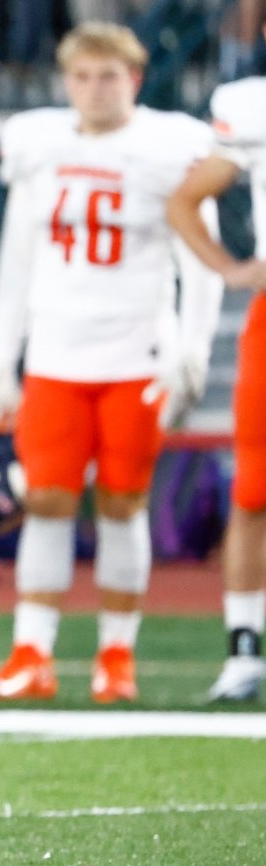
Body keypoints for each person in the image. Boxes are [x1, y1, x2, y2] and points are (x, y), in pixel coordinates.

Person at [0, 24, 221, 705]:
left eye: (108, 76)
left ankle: (117, 654)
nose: (94, 89)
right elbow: (18, 260)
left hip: (134, 352)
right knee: (46, 501)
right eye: (82, 76)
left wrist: (191, 349)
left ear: (134, 80)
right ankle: (32, 653)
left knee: (121, 502)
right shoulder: (40, 145)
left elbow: (201, 258)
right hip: (56, 352)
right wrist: (4, 353)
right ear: (66, 80)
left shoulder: (169, 148)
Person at [168, 19, 266, 702]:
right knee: (254, 490)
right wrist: (231, 269)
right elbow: (184, 201)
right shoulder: (251, 104)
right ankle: (242, 651)